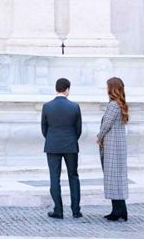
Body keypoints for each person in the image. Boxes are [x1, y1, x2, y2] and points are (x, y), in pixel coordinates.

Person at [41, 78, 82, 219]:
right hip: (71, 145)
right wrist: (70, 139)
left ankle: (58, 210)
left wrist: (52, 139)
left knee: (54, 178)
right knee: (73, 176)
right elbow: (78, 130)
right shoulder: (75, 106)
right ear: (67, 89)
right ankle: (76, 211)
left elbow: (44, 129)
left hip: (52, 145)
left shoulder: (47, 106)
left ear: (56, 88)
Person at [95, 77, 129, 222]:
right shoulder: (121, 104)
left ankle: (117, 211)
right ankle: (121, 210)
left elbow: (106, 125)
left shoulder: (113, 105)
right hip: (118, 145)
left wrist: (99, 136)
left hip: (112, 146)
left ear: (112, 88)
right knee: (117, 177)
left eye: (107, 86)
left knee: (112, 177)